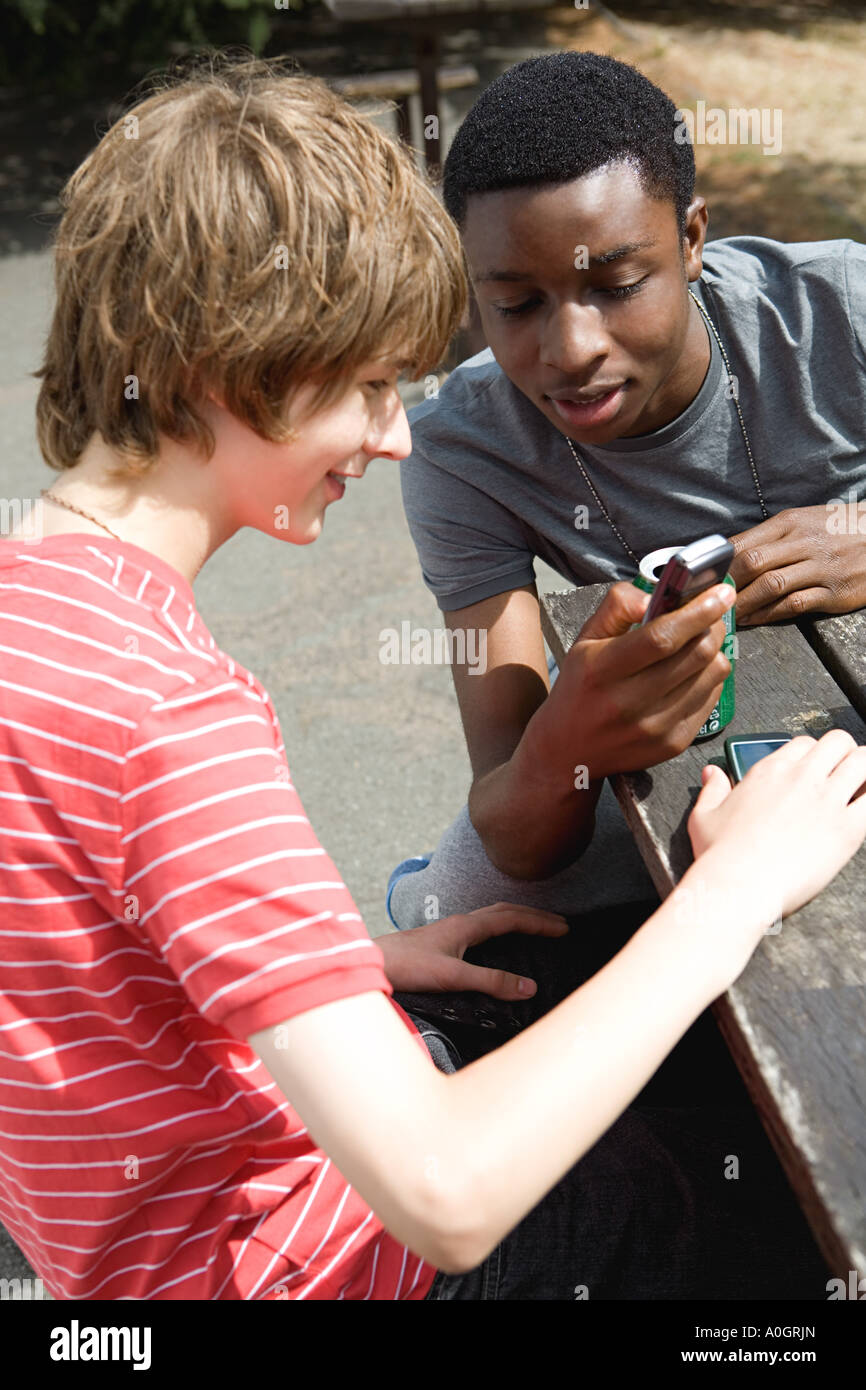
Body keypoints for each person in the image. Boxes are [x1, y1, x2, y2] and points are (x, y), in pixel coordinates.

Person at [2, 52, 864, 1303]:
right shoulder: (171, 717)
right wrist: (731, 888)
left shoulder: (45, 607)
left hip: (153, 1237)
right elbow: (447, 1197)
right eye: (362, 386)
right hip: (337, 1261)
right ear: (231, 363)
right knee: (775, 1158)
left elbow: (73, 958)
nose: (398, 431)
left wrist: (326, 973)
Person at [388, 50, 866, 937]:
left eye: (614, 286)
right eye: (516, 304)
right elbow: (516, 821)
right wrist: (567, 741)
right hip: (655, 776)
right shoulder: (460, 452)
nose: (570, 349)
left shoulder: (838, 310)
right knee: (462, 899)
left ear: (691, 240)